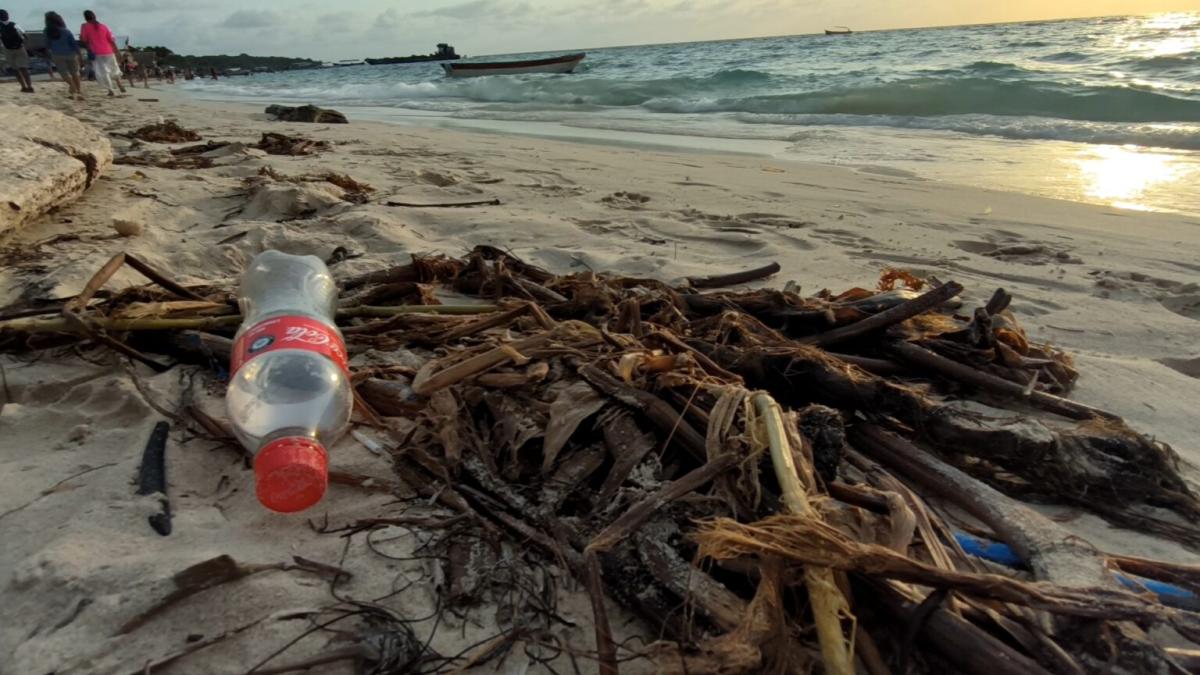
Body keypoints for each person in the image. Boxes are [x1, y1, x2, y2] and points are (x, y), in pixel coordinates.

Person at [79, 10, 125, 96]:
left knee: (103, 72)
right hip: (109, 51)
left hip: (96, 52)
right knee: (114, 68)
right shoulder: (103, 26)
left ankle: (111, 90)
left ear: (85, 18)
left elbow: (84, 40)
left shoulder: (85, 27)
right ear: (95, 16)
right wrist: (117, 51)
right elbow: (111, 40)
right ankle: (119, 83)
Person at [44, 11, 83, 100]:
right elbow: (73, 44)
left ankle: (72, 87)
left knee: (64, 73)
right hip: (70, 54)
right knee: (75, 73)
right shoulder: (66, 31)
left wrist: (48, 53)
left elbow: (47, 44)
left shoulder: (47, 31)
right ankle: (78, 91)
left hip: (57, 54)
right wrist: (79, 53)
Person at [0, 9, 34, 92]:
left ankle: (23, 87)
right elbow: (25, 35)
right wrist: (24, 44)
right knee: (24, 68)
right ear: (7, 16)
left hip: (8, 49)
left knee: (15, 69)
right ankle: (30, 86)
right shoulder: (14, 24)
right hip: (19, 48)